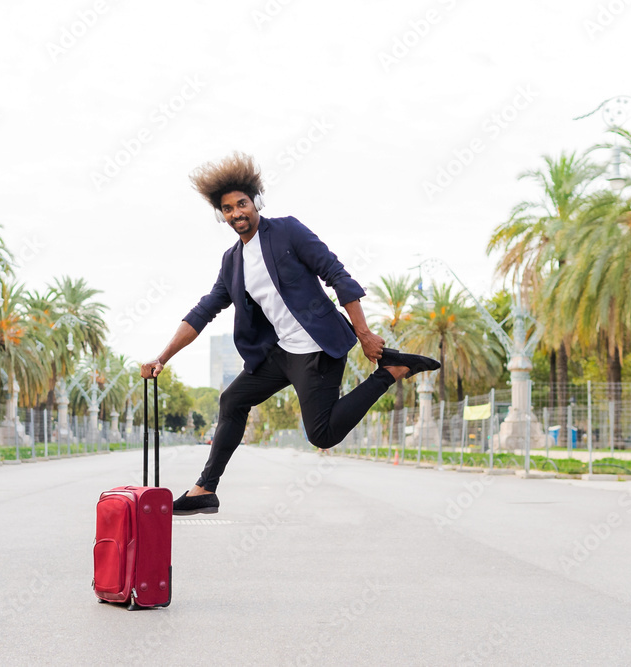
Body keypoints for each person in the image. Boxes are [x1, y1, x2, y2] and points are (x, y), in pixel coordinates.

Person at [140, 152, 439, 515]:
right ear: (222, 214)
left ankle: (390, 372)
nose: (236, 213)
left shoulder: (287, 231)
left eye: (242, 203)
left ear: (256, 201)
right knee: (232, 401)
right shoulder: (232, 261)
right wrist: (162, 356)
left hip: (317, 347)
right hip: (280, 352)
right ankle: (205, 488)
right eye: (228, 208)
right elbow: (203, 311)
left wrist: (364, 333)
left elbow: (337, 275)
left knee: (322, 434)